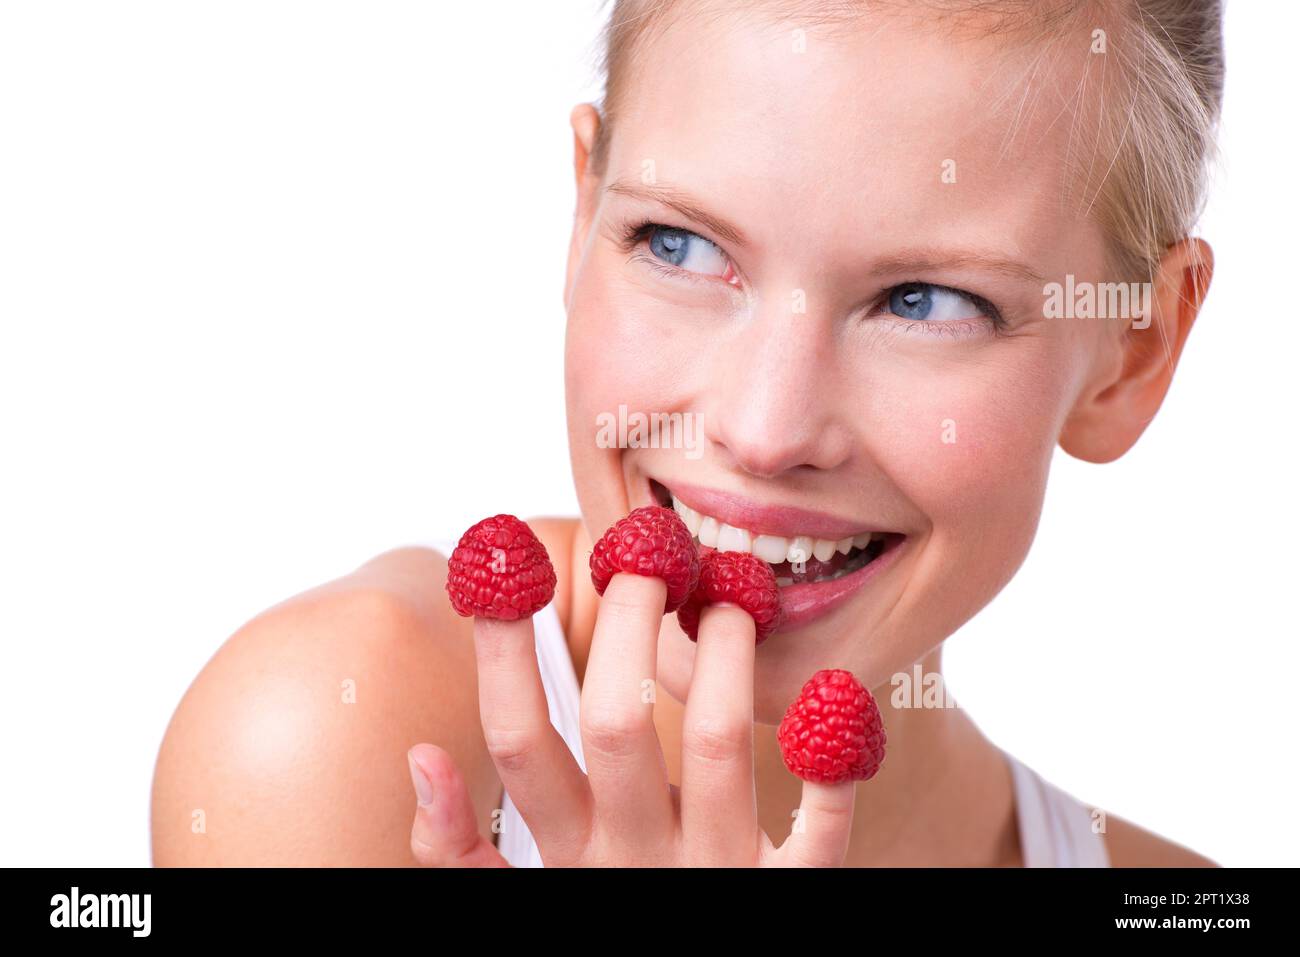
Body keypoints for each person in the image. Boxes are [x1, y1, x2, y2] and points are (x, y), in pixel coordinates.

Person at [151, 0, 1223, 867]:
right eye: (677, 243)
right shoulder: (330, 739)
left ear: (1132, 354)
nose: (763, 431)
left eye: (925, 303)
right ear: (582, 215)